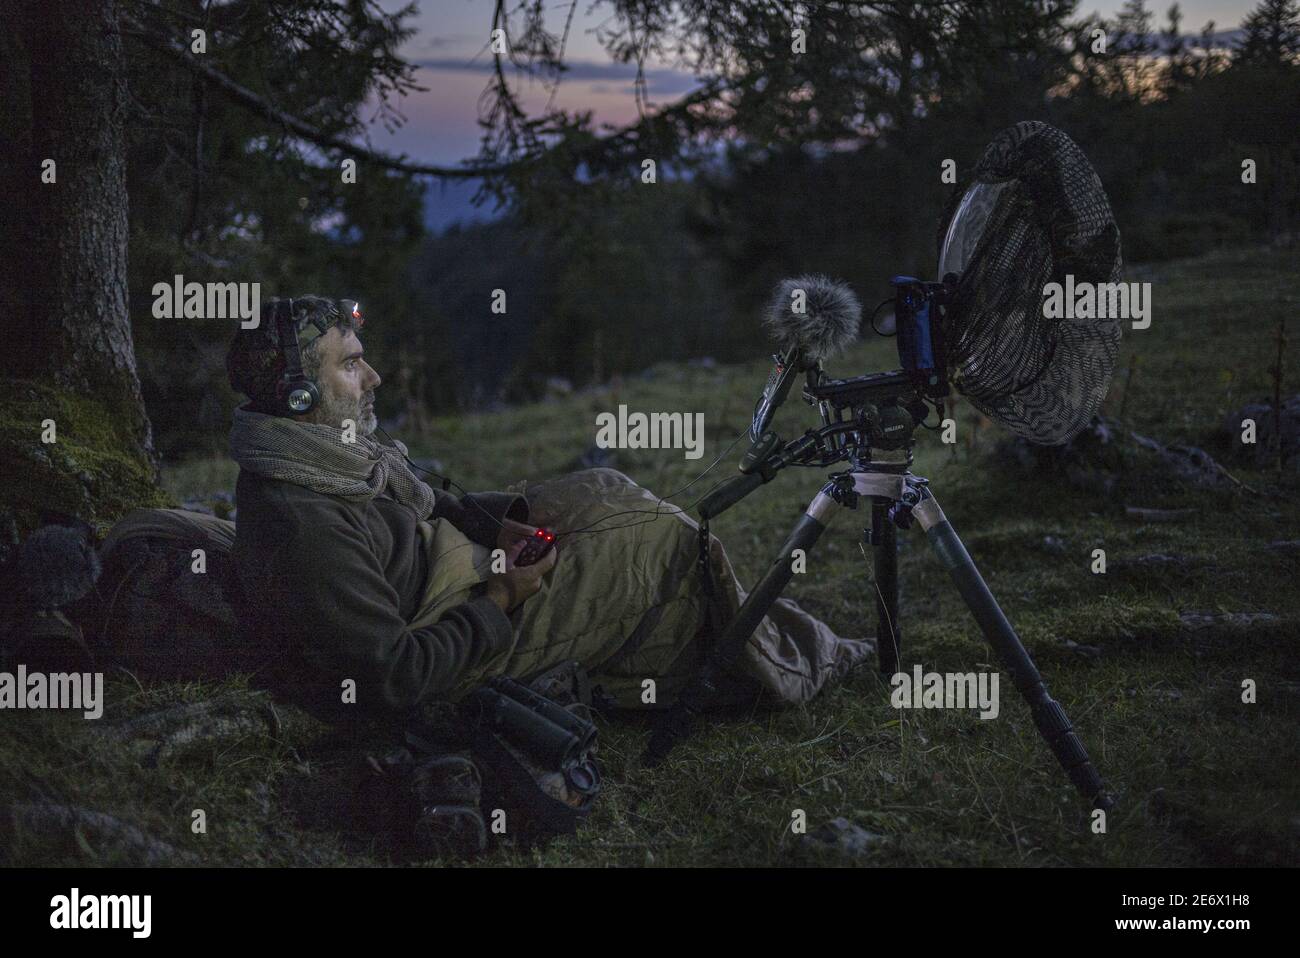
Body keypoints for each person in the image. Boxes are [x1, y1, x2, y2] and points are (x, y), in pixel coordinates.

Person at [224, 295, 872, 730]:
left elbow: (424, 500)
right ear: (299, 392)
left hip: (461, 573)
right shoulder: (301, 521)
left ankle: (763, 643)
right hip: (459, 638)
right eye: (350, 363)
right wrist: (504, 596)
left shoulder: (325, 454)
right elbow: (395, 677)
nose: (374, 379)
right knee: (664, 542)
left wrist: (502, 521)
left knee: (607, 488)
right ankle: (794, 662)